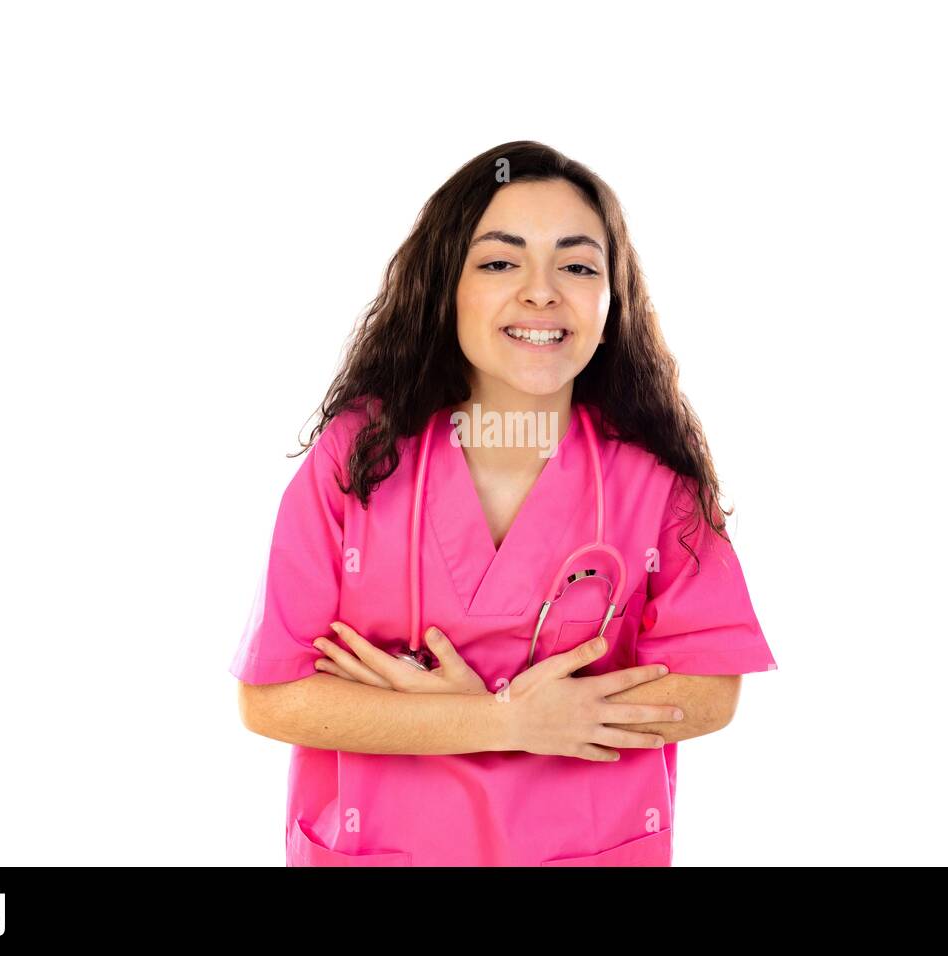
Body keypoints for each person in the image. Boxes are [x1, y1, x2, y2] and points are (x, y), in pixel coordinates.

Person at [230, 141, 777, 866]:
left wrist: (440, 712)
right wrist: (508, 718)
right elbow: (273, 700)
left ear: (612, 307)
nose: (542, 292)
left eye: (578, 266)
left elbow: (711, 692)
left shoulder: (654, 476)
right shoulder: (356, 457)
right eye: (499, 262)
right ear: (445, 290)